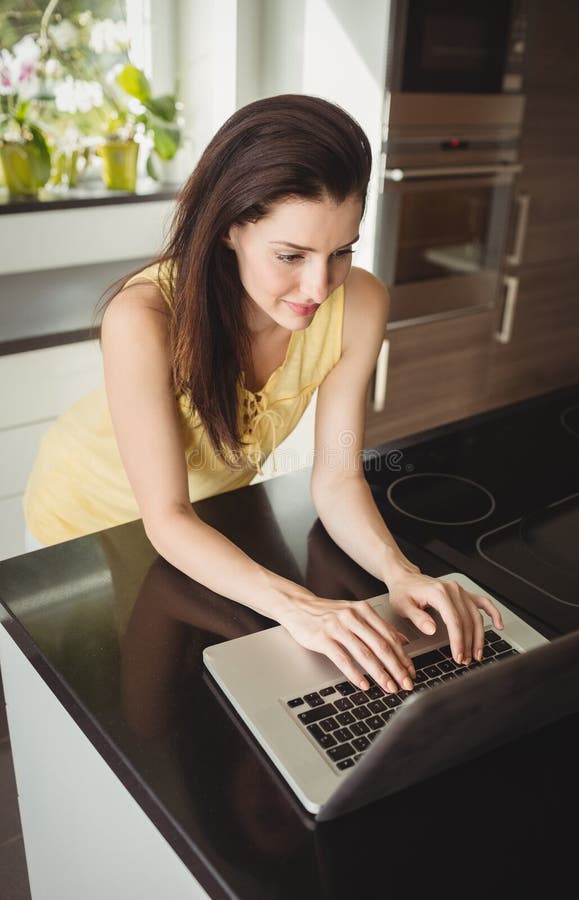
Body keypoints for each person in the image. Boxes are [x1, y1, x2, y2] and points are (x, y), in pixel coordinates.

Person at [24, 93, 504, 694]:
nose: (318, 285)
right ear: (230, 228)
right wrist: (301, 607)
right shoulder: (144, 319)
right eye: (290, 255)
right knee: (126, 709)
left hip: (210, 520)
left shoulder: (360, 304)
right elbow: (166, 517)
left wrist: (399, 574)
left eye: (341, 252)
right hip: (88, 526)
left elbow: (337, 474)